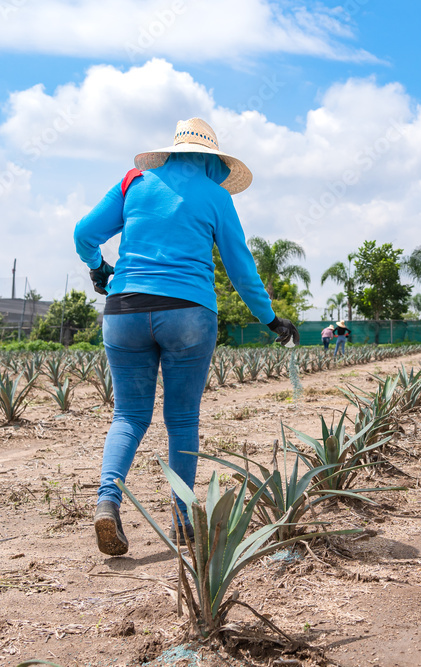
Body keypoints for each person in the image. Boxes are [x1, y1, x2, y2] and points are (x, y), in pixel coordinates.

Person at [73, 118, 299, 557]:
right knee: (181, 420)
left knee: (128, 416)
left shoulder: (135, 182)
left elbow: (84, 233)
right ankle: (181, 521)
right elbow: (240, 266)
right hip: (188, 315)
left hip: (125, 311)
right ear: (213, 162)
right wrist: (271, 320)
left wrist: (99, 269)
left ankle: (107, 501)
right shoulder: (216, 196)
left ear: (172, 153)